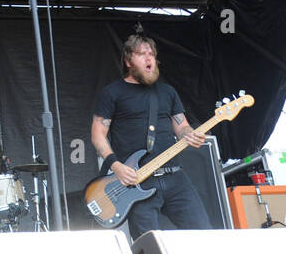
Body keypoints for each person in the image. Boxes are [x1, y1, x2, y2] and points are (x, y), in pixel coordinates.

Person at [91, 34, 212, 240]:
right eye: (142, 54)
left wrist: (190, 135)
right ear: (128, 61)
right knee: (150, 246)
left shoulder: (167, 92)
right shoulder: (112, 93)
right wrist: (117, 166)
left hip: (175, 177)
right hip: (139, 182)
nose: (149, 59)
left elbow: (181, 126)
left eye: (152, 54)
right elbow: (98, 135)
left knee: (204, 235)